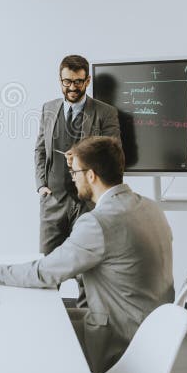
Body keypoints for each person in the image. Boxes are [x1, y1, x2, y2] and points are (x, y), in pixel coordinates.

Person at [0, 137, 173, 373]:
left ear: (91, 175)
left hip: (120, 339)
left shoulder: (98, 223)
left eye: (75, 172)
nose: (73, 178)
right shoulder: (151, 207)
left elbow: (44, 273)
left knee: (32, 329)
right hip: (152, 333)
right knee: (47, 316)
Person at [35, 54, 120, 256]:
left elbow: (114, 156)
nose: (72, 87)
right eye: (67, 82)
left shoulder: (106, 113)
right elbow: (40, 149)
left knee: (86, 266)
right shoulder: (48, 108)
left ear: (87, 81)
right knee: (47, 265)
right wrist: (41, 185)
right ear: (60, 80)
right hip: (52, 201)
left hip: (88, 204)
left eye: (78, 82)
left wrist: (84, 158)